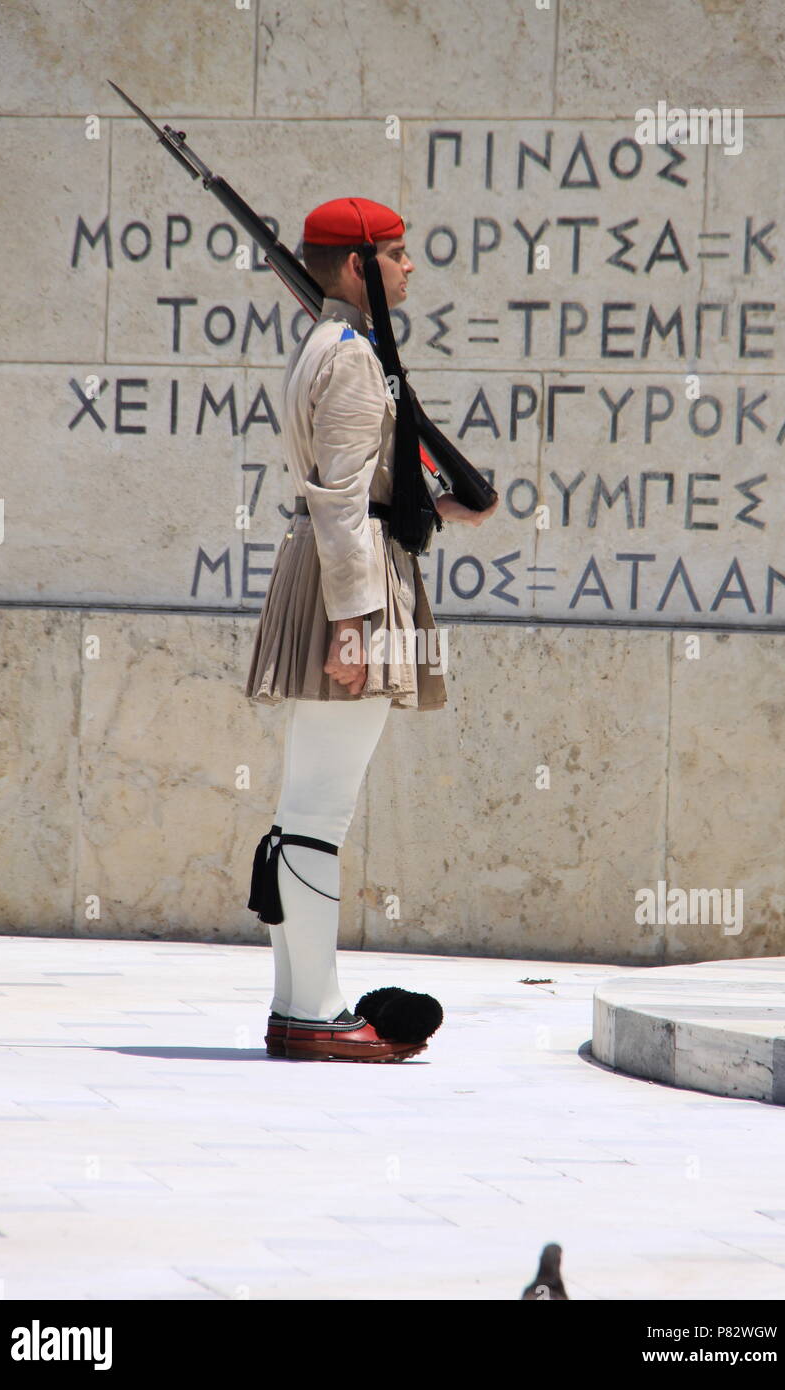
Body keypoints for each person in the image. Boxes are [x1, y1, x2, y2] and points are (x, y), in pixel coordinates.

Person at [244, 196, 498, 1062]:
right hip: (346, 584)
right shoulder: (351, 357)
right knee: (318, 813)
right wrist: (354, 625)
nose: (409, 266)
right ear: (358, 267)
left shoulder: (333, 346)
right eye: (395, 252)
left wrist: (433, 505)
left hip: (328, 570)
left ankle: (298, 1005)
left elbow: (354, 479)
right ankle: (316, 1015)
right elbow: (341, 500)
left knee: (302, 809)